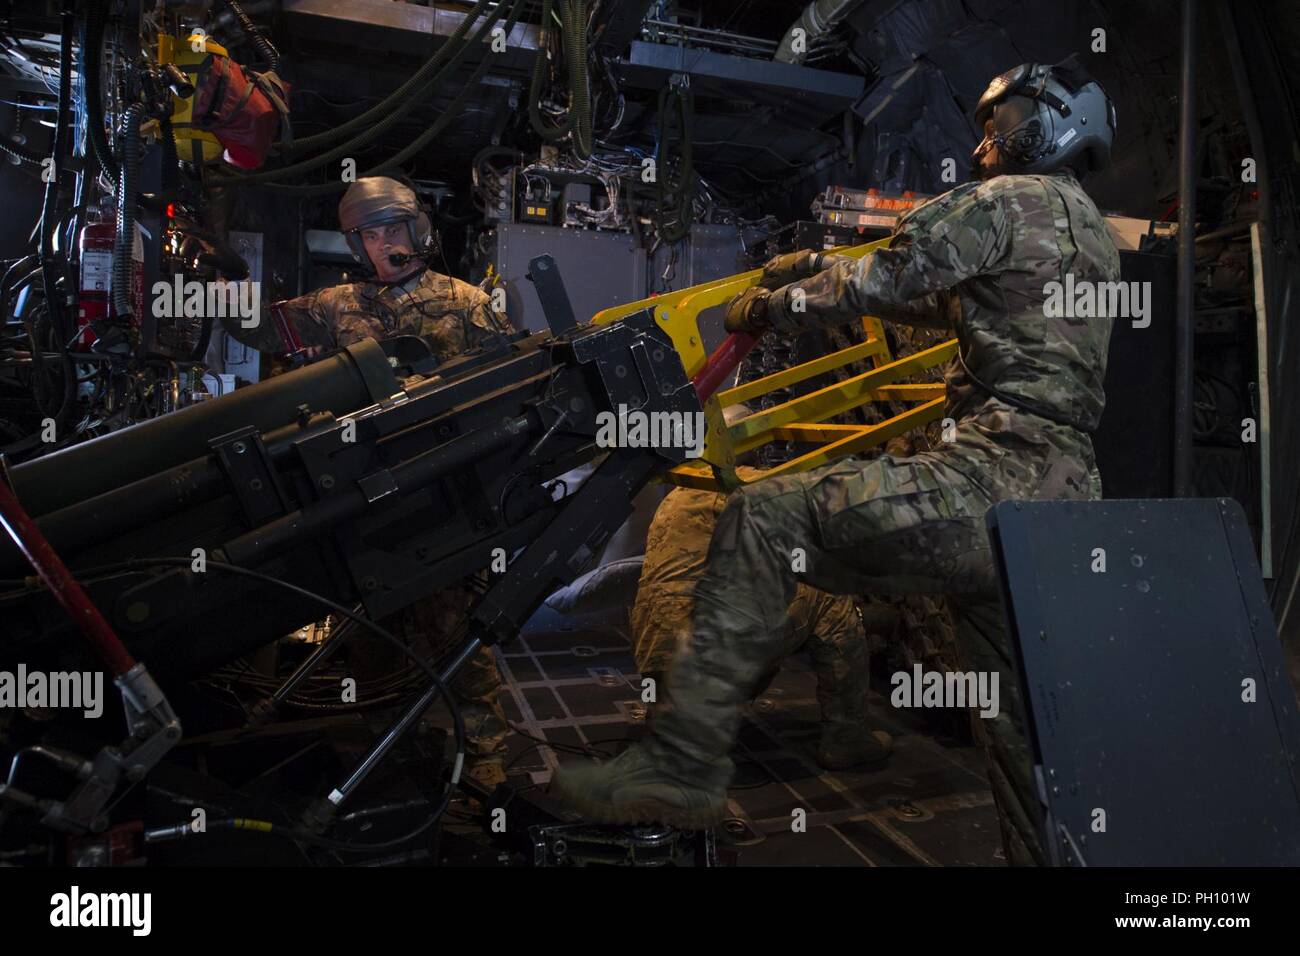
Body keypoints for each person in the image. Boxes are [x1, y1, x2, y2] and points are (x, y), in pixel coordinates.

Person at [552, 58, 1120, 865]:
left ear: (1050, 122)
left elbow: (893, 270)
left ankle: (677, 767)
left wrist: (774, 299)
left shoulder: (1006, 199)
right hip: (1063, 501)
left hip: (994, 475)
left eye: (1001, 120)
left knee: (761, 513)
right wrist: (814, 270)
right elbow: (935, 297)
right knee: (1026, 728)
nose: (985, 138)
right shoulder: (1088, 231)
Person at [277, 176, 515, 790]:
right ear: (359, 246)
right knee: (373, 638)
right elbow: (267, 338)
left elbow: (507, 387)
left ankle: (485, 759)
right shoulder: (334, 305)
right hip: (363, 495)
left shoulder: (468, 302)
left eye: (393, 231)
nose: (385, 245)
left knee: (459, 634)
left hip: (444, 492)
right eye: (371, 236)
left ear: (418, 232)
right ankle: (388, 754)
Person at [633, 466, 892, 772]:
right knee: (828, 598)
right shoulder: (744, 481)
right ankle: (846, 737)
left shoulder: (681, 489)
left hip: (655, 647)